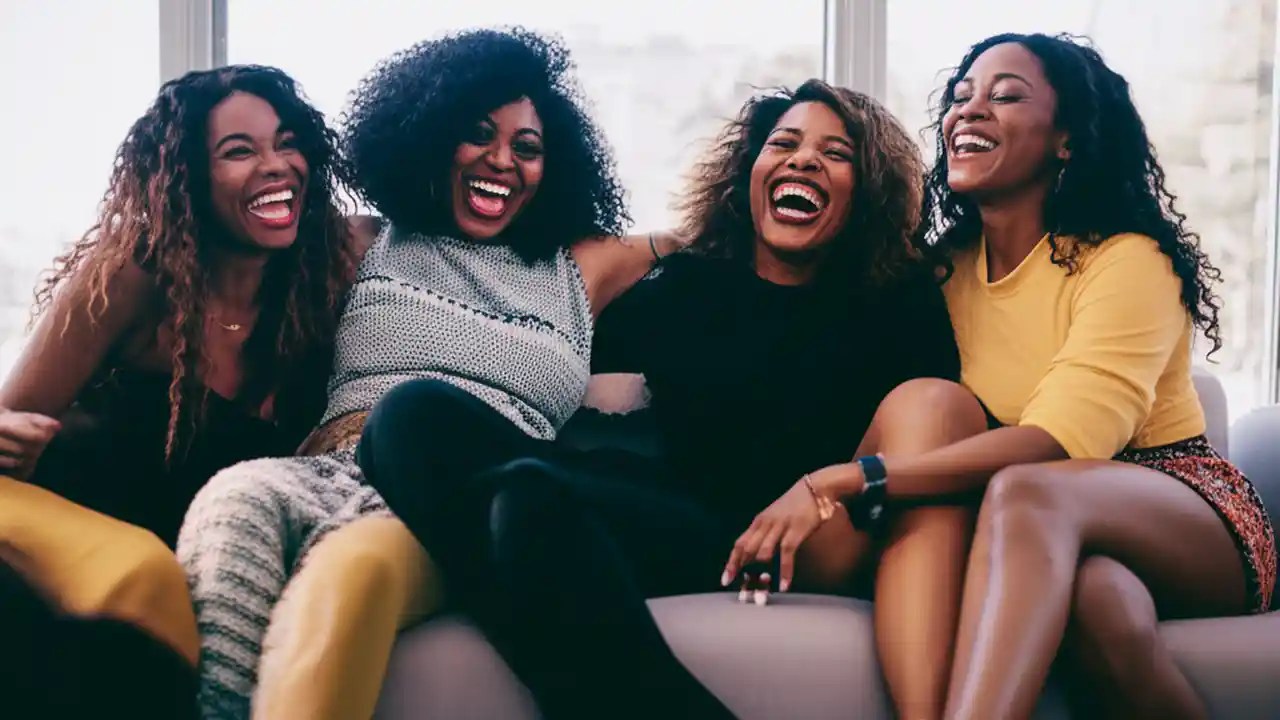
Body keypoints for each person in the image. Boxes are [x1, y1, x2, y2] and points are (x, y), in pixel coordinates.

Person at [358, 79, 972, 719]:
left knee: (528, 497)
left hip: (799, 541)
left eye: (835, 153)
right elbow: (546, 334)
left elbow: (930, 443)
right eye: (782, 143)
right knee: (412, 417)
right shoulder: (689, 285)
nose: (802, 160)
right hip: (679, 514)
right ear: (751, 172)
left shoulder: (897, 298)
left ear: (867, 189)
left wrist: (831, 492)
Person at [766, 34, 1274, 720]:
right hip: (1031, 524)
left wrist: (852, 478)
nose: (969, 112)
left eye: (1005, 97)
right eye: (961, 97)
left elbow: (1058, 444)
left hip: (1178, 501)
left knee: (1030, 490)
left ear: (1067, 139)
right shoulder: (944, 272)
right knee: (1100, 605)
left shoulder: (1127, 261)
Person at [175, 28, 679, 719]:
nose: (502, 161)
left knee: (342, 560)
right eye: (477, 135)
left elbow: (708, 236)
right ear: (431, 140)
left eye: (526, 148)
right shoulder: (365, 243)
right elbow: (222, 239)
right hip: (330, 463)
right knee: (234, 500)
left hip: (466, 488)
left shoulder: (577, 268)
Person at [0, 65, 356, 718]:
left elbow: (448, 229)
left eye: (287, 142)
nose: (277, 165)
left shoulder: (326, 274)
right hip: (90, 554)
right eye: (239, 151)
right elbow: (9, 419)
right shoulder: (128, 275)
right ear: (189, 177)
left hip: (206, 567)